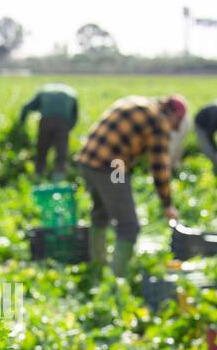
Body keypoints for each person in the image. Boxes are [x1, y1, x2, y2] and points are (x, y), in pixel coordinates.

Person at [74, 95, 185, 277]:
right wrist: (167, 204)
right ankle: (119, 280)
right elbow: (159, 167)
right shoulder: (159, 122)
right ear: (173, 115)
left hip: (88, 161)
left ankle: (98, 265)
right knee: (128, 225)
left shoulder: (139, 102)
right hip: (112, 167)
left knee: (101, 211)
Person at [17, 82, 78, 179]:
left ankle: (38, 176)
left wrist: (21, 124)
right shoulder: (70, 93)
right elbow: (74, 116)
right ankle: (58, 178)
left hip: (46, 122)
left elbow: (26, 107)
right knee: (61, 152)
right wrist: (67, 129)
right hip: (63, 123)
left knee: (42, 150)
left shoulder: (44, 91)